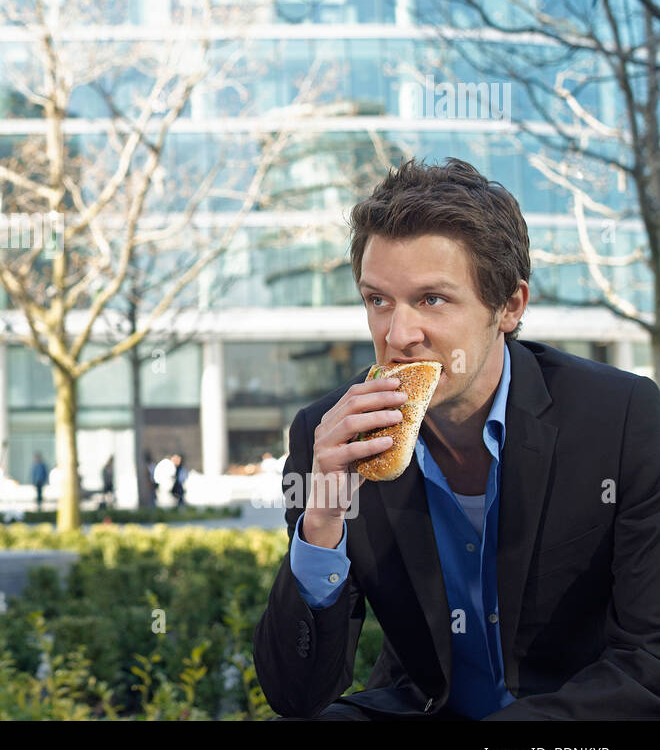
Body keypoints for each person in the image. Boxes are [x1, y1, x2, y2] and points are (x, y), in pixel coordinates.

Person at [253, 158, 660, 720]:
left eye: (432, 300)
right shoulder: (329, 437)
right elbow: (296, 697)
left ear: (510, 306)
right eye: (378, 300)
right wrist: (321, 522)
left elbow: (648, 666)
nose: (398, 336)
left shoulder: (623, 418)